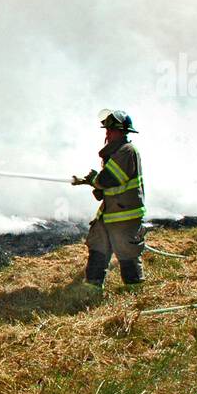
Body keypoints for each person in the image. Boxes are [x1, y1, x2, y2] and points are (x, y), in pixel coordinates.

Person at [71, 110, 145, 288]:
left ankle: (134, 290)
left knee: (127, 252)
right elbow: (107, 185)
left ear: (121, 131)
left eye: (111, 130)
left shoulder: (127, 151)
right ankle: (92, 288)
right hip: (111, 212)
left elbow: (109, 179)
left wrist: (94, 181)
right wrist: (93, 184)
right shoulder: (116, 152)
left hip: (124, 215)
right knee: (98, 246)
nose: (107, 133)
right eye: (107, 130)